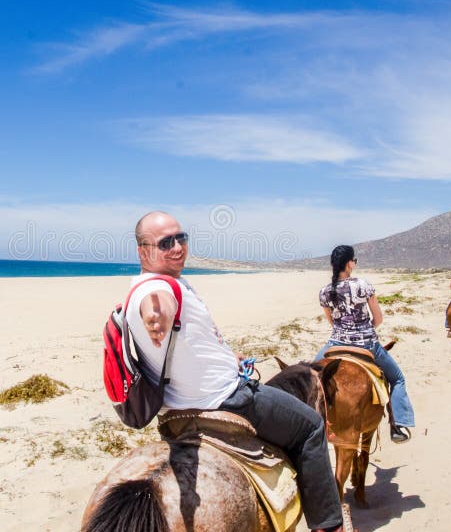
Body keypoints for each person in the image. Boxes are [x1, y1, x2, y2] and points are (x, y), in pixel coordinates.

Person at [126, 211, 345, 532]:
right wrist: (154, 315)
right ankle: (329, 525)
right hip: (224, 399)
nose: (176, 247)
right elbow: (156, 303)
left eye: (181, 238)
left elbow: (189, 345)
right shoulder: (157, 290)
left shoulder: (151, 284)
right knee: (311, 426)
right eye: (165, 242)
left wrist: (231, 356)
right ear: (143, 251)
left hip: (176, 410)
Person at [314, 245, 415, 444]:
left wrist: (344, 332)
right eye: (355, 261)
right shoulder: (364, 285)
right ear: (350, 263)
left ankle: (309, 423)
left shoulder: (325, 291)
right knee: (397, 379)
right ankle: (398, 425)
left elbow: (331, 321)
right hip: (366, 344)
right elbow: (378, 318)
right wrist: (364, 329)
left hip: (336, 342)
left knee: (310, 376)